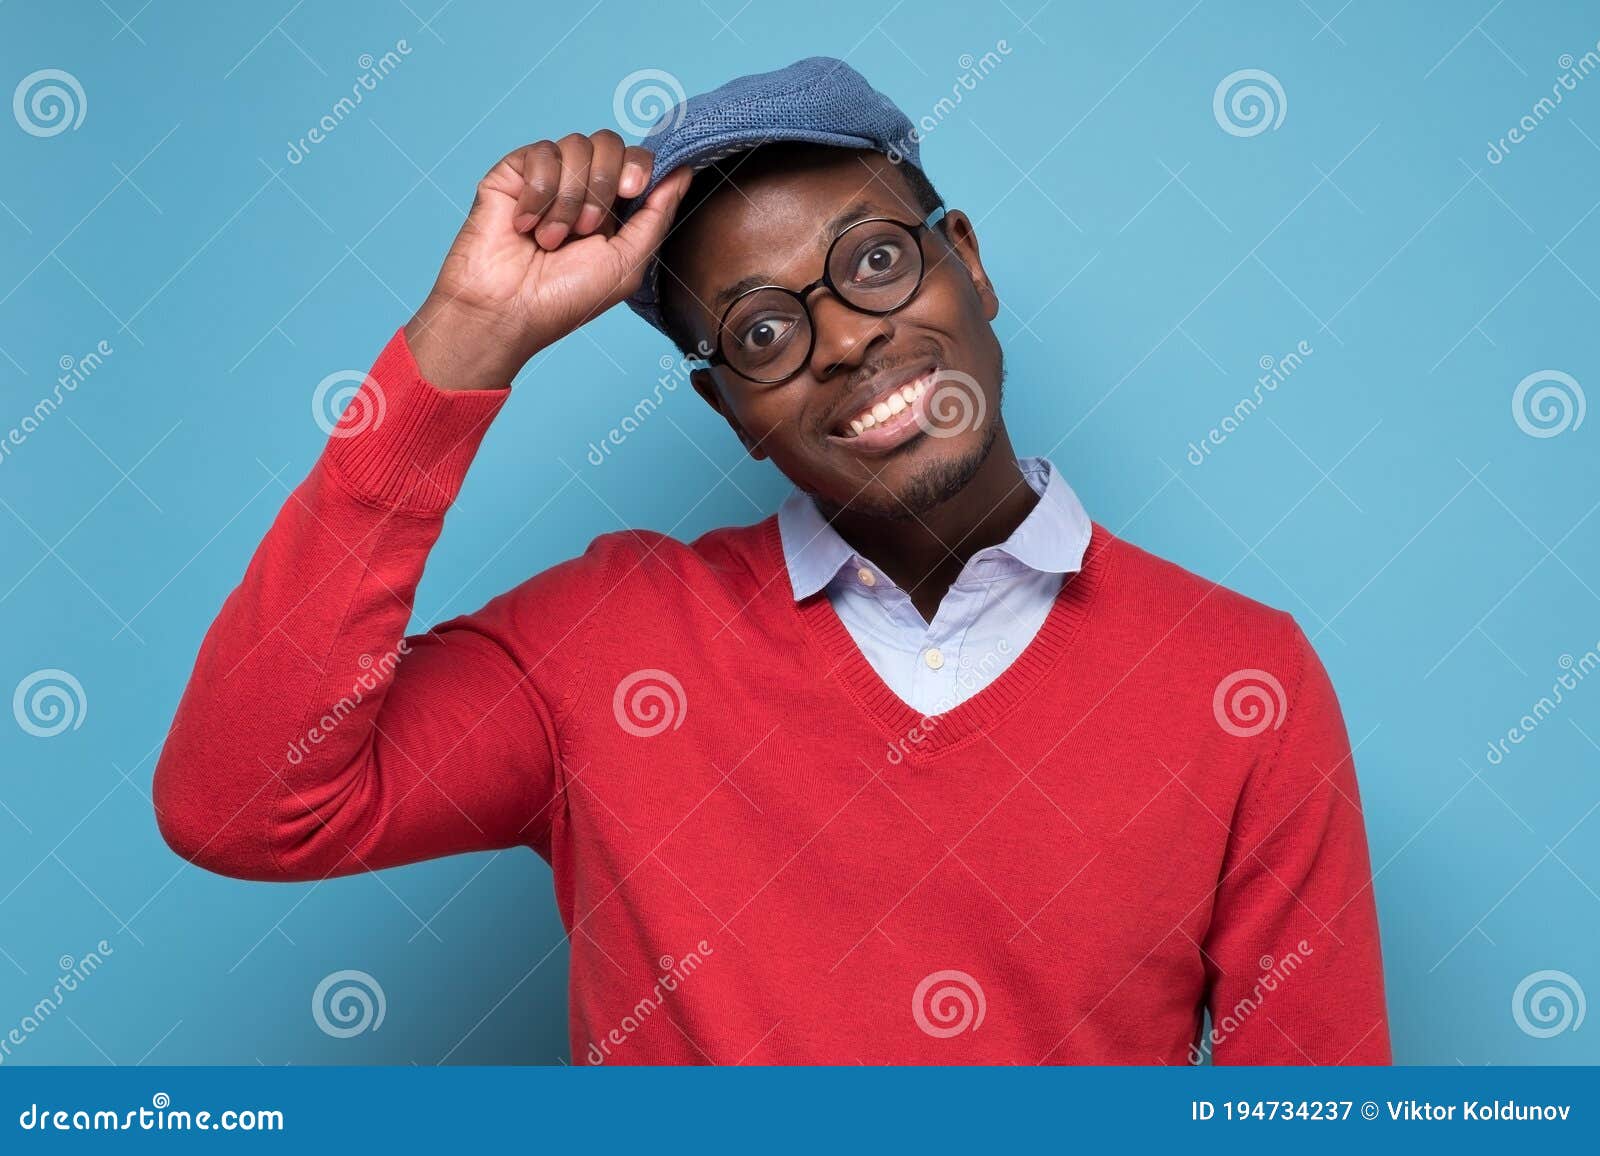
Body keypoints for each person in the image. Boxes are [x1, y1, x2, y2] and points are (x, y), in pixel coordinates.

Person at [152, 57, 1390, 1065]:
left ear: (969, 259)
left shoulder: (1239, 678)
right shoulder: (609, 643)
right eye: (762, 329)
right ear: (729, 409)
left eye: (874, 261)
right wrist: (466, 342)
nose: (847, 340)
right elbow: (240, 805)